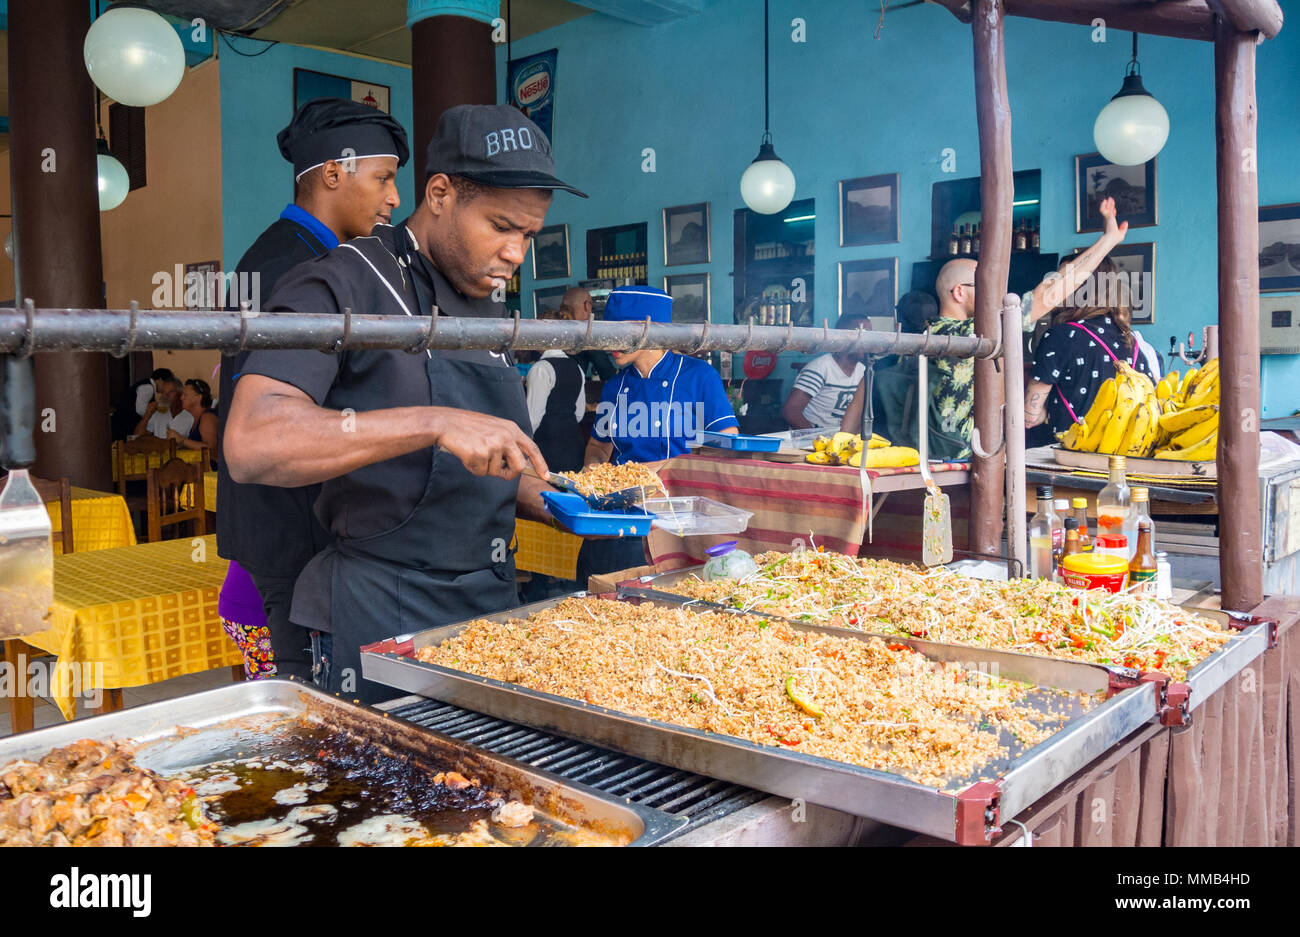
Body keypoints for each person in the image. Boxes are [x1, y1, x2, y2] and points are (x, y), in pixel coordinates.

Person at [224, 104, 586, 703]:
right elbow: (254, 442)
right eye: (500, 226)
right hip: (378, 616)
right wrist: (433, 422)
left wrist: (547, 496)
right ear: (440, 193)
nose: (516, 254)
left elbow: (470, 466)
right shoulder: (341, 282)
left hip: (489, 608)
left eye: (528, 235)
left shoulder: (489, 308)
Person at [216, 97, 409, 681]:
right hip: (294, 541)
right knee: (310, 724)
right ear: (333, 173)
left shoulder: (297, 255)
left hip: (291, 536)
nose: (394, 198)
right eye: (384, 178)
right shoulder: (300, 271)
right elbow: (271, 425)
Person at [578, 285, 739, 580]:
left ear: (651, 330)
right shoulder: (615, 385)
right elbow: (599, 446)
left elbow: (726, 449)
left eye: (620, 331)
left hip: (679, 523)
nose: (608, 342)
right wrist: (594, 469)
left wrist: (654, 471)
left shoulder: (699, 377)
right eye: (606, 331)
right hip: (623, 519)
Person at [1024, 254, 1153, 445]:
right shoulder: (1133, 342)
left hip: (1065, 456)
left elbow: (1030, 415)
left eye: (1063, 280)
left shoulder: (1061, 337)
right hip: (1120, 456)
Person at [525, 310, 587, 473]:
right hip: (574, 446)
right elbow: (579, 413)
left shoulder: (540, 369)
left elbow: (532, 419)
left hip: (547, 448)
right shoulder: (577, 367)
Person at [782, 315, 869, 430]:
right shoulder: (820, 368)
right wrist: (816, 438)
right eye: (859, 333)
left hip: (840, 441)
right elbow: (790, 412)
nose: (866, 340)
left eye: (869, 334)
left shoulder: (862, 370)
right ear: (842, 337)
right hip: (810, 442)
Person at [560, 286, 616, 380]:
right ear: (587, 305)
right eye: (591, 304)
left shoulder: (552, 327)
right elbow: (607, 371)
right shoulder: (583, 333)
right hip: (572, 391)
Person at [113, 367, 176, 440]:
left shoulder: (147, 385)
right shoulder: (148, 387)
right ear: (160, 380)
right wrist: (155, 413)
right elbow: (140, 410)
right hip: (124, 426)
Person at [171, 378, 219, 468]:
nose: (181, 398)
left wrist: (181, 439)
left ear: (199, 397)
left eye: (185, 395)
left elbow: (210, 447)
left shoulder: (207, 417)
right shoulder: (196, 419)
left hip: (212, 474)